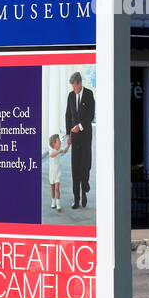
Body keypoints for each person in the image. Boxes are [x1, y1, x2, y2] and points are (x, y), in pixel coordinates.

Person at [64, 72, 95, 209]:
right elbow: (67, 115)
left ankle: (84, 190)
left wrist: (80, 126)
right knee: (75, 168)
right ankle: (76, 199)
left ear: (80, 83)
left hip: (86, 136)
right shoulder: (70, 96)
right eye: (72, 87)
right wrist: (68, 134)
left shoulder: (89, 94)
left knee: (85, 165)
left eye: (74, 86)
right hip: (75, 137)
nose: (73, 89)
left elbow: (90, 115)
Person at [45, 133, 70, 211]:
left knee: (57, 188)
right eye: (58, 141)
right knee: (52, 188)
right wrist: (59, 152)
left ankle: (58, 203)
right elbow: (52, 155)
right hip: (51, 173)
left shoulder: (59, 151)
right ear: (54, 143)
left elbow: (65, 151)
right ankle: (53, 202)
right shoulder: (51, 150)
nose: (60, 142)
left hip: (58, 172)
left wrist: (68, 145)